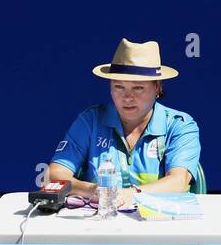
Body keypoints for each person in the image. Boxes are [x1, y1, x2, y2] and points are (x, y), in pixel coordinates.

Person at [48, 38, 202, 210]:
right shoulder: (89, 121)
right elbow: (54, 174)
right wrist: (92, 190)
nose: (127, 97)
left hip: (160, 229)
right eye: (119, 86)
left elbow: (178, 183)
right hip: (100, 227)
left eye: (138, 88)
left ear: (157, 87)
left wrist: (130, 195)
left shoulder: (180, 125)